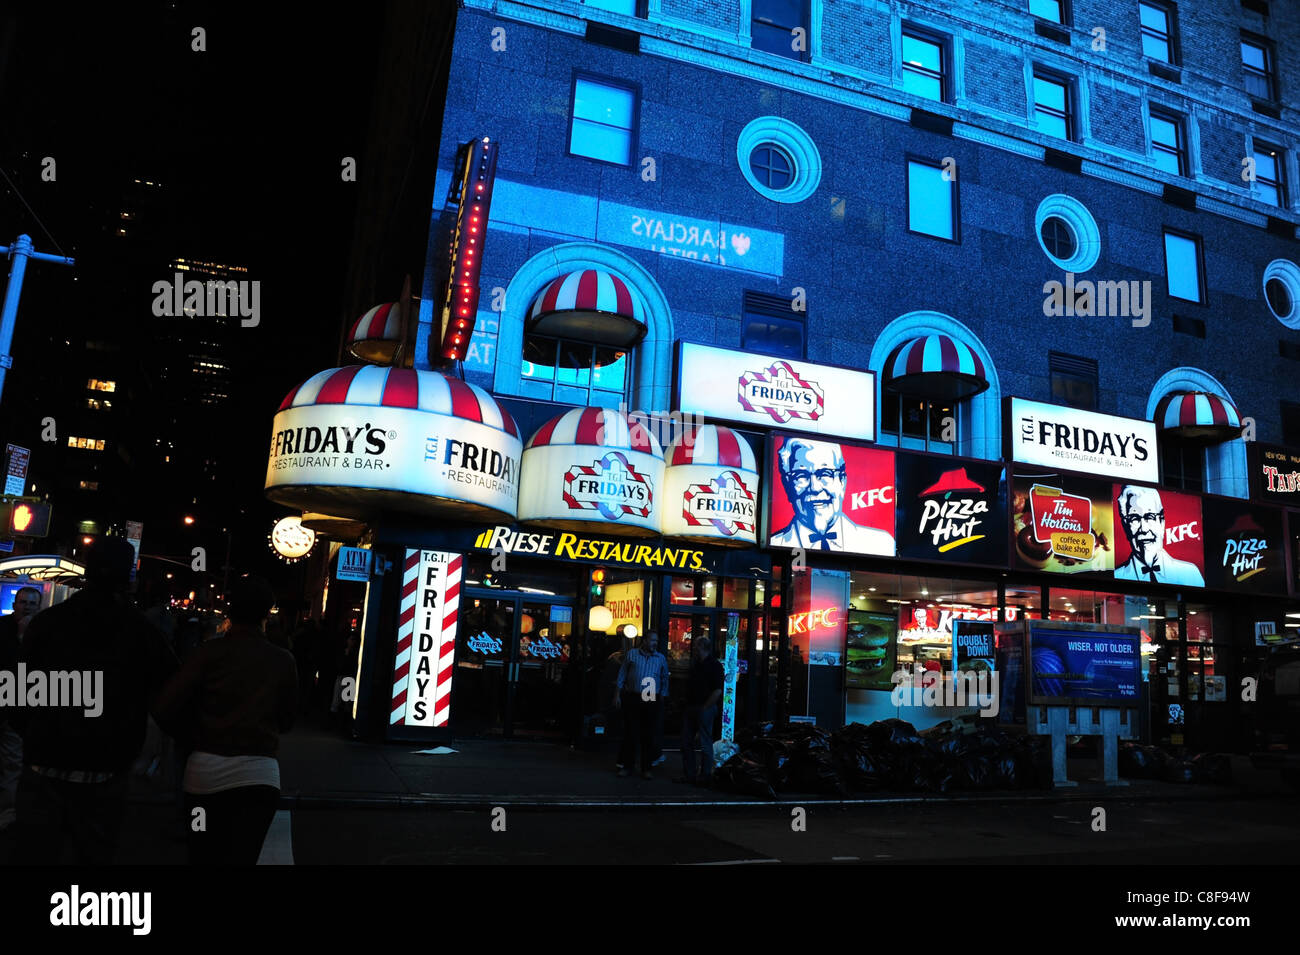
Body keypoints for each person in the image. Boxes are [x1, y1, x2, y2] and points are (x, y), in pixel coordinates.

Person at [11, 539, 178, 864]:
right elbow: (169, 693)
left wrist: (33, 733)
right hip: (105, 770)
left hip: (43, 764)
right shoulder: (141, 632)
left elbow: (17, 694)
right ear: (128, 577)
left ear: (86, 571)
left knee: (34, 853)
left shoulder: (47, 623)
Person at [154, 574, 297, 865]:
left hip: (204, 775)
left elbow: (164, 706)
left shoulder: (207, 653)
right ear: (266, 614)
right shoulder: (283, 660)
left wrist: (192, 737)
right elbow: (287, 721)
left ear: (230, 611)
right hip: (260, 777)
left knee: (202, 853)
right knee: (243, 856)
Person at [770, 437, 895, 554]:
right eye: (801, 475)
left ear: (842, 481)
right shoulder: (774, 543)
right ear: (787, 486)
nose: (815, 487)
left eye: (825, 474)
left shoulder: (882, 544)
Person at [0, 586, 41, 828]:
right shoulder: (2, 627)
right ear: (15, 604)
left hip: (19, 706)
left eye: (31, 603)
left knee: (12, 762)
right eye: (23, 602)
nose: (26, 607)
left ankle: (7, 813)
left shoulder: (41, 633)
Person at [1113, 485, 1204, 586]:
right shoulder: (1116, 576)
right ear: (1125, 526)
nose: (1144, 528)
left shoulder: (1190, 574)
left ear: (1162, 522)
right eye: (1134, 518)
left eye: (1150, 517)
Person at [613, 631, 669, 779]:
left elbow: (664, 679)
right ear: (644, 640)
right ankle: (627, 766)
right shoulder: (632, 654)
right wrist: (617, 695)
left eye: (656, 641)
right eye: (652, 640)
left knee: (648, 734)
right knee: (630, 733)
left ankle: (646, 768)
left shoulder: (660, 658)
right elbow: (622, 674)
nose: (655, 643)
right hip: (633, 695)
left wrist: (662, 697)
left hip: (650, 696)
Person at [676, 635, 723, 786]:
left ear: (702, 648)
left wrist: (705, 707)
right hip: (695, 706)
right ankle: (696, 775)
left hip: (703, 707)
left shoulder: (713, 666)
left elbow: (717, 691)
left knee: (702, 742)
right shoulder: (699, 664)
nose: (693, 648)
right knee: (691, 741)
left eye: (695, 646)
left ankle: (702, 775)